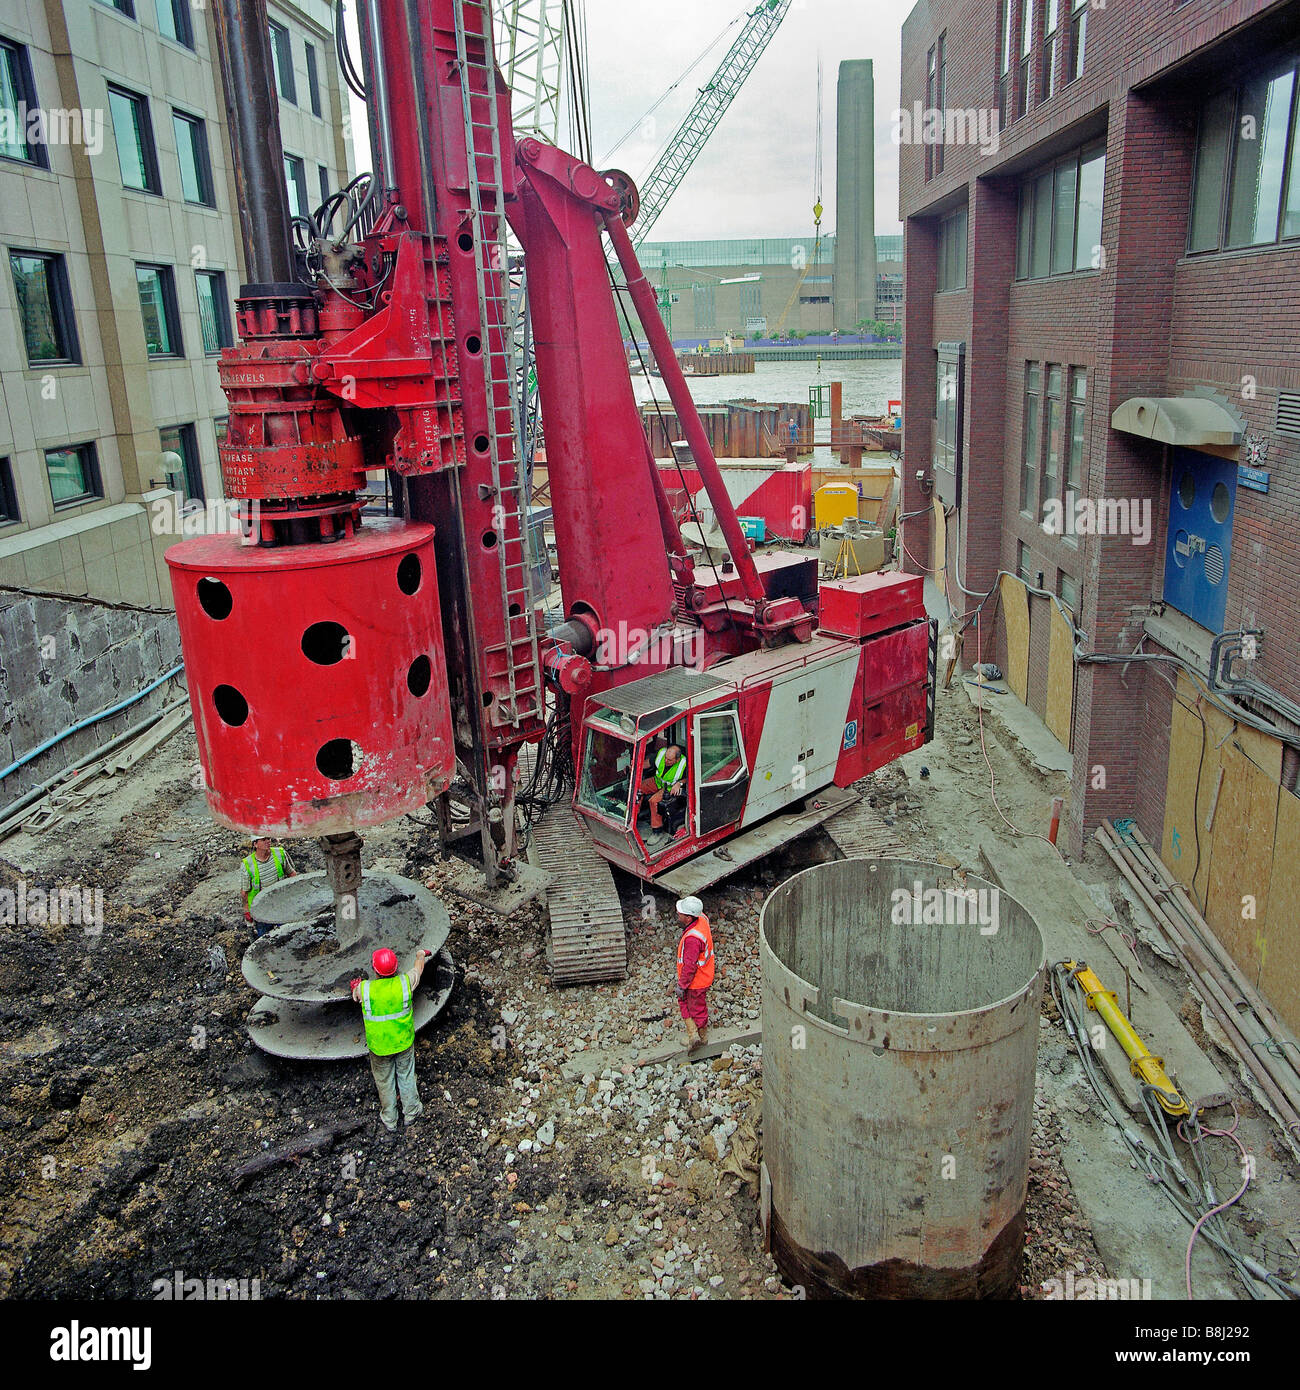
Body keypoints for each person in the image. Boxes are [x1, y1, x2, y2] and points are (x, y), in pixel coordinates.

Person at [351, 946, 433, 1138]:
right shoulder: (404, 983)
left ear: (375, 970)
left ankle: (389, 1120)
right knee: (406, 1076)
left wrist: (356, 986)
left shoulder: (365, 988)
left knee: (384, 1082)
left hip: (379, 1048)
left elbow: (356, 995)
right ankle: (411, 1113)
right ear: (396, 968)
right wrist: (420, 955)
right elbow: (418, 969)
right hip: (403, 1044)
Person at [674, 896, 715, 1053]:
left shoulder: (692, 939)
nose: (678, 914)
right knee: (689, 1003)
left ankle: (700, 1037)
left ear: (689, 917)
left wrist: (682, 985)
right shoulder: (702, 919)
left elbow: (689, 966)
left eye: (681, 913)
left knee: (696, 1007)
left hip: (697, 980)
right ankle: (694, 1034)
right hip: (704, 973)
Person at [240, 835, 295, 931]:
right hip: (261, 908)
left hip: (281, 902)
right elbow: (244, 892)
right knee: (265, 936)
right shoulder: (247, 864)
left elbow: (292, 874)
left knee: (287, 932)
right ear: (255, 844)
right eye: (263, 839)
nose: (268, 841)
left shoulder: (279, 853)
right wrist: (247, 911)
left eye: (268, 838)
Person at [639, 743, 686, 834]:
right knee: (638, 788)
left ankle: (657, 831)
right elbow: (648, 763)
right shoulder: (661, 753)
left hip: (669, 788)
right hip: (658, 781)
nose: (665, 761)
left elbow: (690, 778)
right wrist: (634, 766)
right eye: (665, 758)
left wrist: (679, 783)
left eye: (669, 760)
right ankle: (634, 816)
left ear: (677, 760)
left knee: (654, 801)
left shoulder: (684, 764)